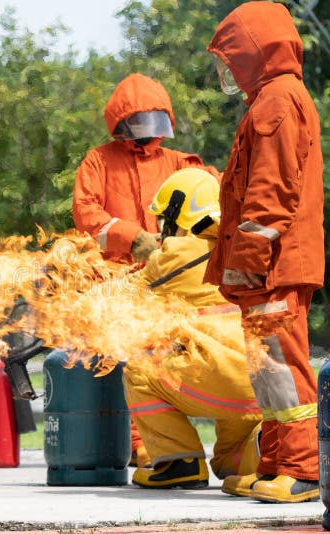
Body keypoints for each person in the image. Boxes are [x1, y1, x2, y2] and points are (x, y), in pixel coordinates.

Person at [204, 1, 324, 503]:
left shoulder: (277, 100)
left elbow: (272, 192)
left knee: (283, 368)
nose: (227, 70)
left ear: (254, 52)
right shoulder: (270, 98)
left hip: (272, 267)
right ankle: (277, 463)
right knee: (269, 368)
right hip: (268, 266)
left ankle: (305, 469)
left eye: (231, 58)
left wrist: (249, 259)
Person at [72, 73, 219, 467]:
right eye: (134, 124)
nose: (144, 134)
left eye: (151, 123)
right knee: (135, 360)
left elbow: (213, 206)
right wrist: (130, 236)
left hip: (176, 283)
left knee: (196, 360)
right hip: (123, 284)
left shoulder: (182, 164)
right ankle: (146, 445)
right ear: (117, 123)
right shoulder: (99, 161)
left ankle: (226, 450)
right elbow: (86, 212)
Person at [123, 168, 262, 489]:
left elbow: (127, 299)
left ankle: (178, 461)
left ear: (176, 214)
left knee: (138, 370)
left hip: (213, 378)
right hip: (260, 384)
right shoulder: (242, 248)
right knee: (229, 463)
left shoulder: (174, 253)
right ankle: (266, 445)